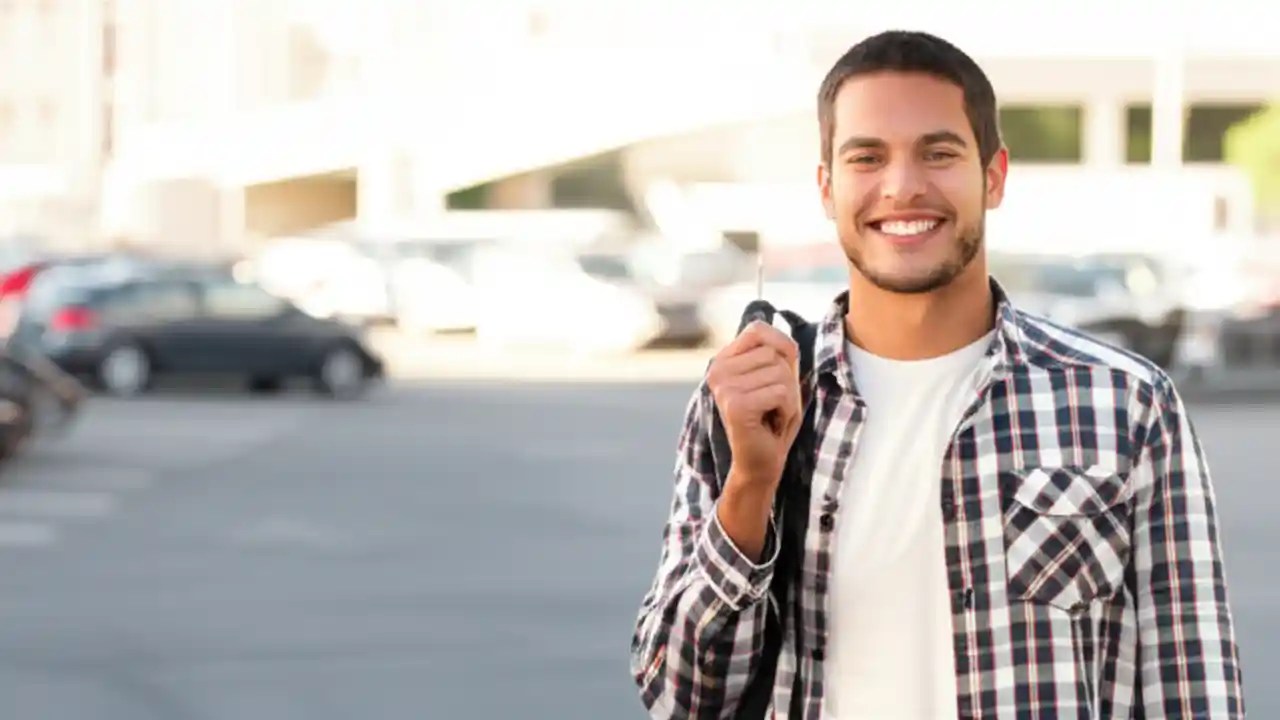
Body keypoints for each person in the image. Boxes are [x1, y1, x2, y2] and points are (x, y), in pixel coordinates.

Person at [630, 30, 1245, 719]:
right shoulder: (750, 399)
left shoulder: (1123, 402)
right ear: (828, 188)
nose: (902, 186)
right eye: (867, 157)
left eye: (939, 152)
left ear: (994, 177)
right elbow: (680, 697)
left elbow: (1195, 689)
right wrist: (750, 486)